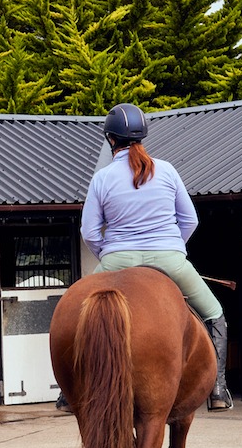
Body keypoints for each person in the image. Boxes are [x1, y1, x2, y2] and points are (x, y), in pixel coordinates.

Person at [74, 103, 233, 411]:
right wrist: (174, 250)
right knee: (215, 313)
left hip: (117, 259)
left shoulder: (103, 178)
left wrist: (107, 257)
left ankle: (69, 392)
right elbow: (190, 220)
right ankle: (217, 390)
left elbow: (90, 232)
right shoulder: (168, 170)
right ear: (142, 136)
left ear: (110, 140)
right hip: (169, 259)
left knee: (76, 312)